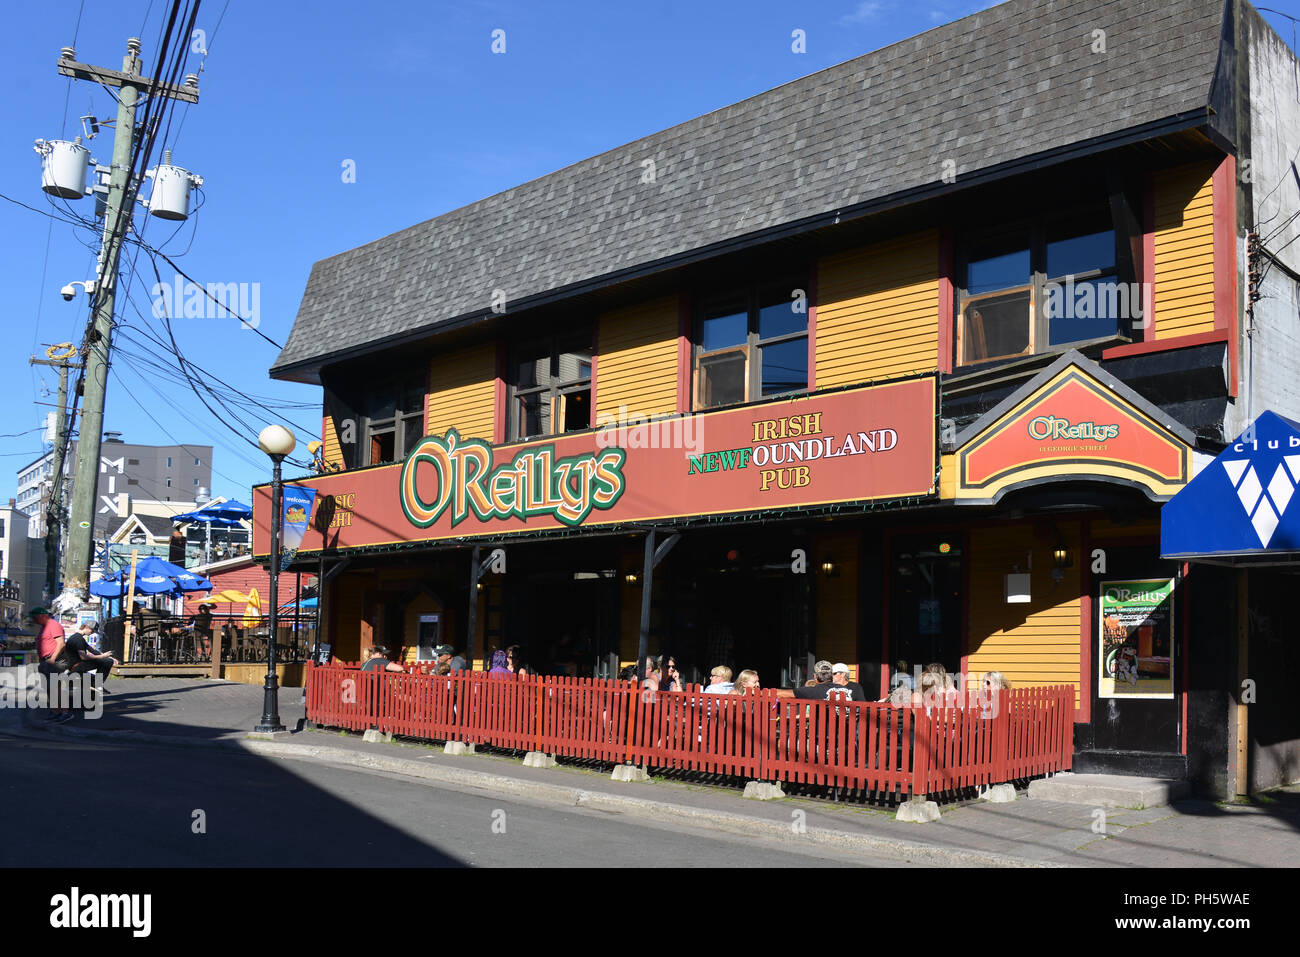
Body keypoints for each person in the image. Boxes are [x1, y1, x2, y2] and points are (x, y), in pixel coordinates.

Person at [29, 607, 72, 723]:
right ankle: (56, 711)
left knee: (55, 688)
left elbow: (61, 644)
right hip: (46, 661)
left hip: (54, 660)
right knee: (49, 688)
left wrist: (52, 659)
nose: (34, 621)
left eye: (35, 618)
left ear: (43, 616)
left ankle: (64, 712)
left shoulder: (53, 625)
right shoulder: (44, 627)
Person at [64, 624, 117, 690]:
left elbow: (92, 650)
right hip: (76, 665)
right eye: (92, 631)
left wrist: (107, 657)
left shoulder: (78, 637)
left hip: (76, 663)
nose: (92, 633)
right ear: (87, 627)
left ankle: (95, 683)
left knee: (107, 660)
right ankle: (97, 684)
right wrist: (102, 656)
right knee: (108, 662)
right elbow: (83, 657)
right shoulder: (78, 639)